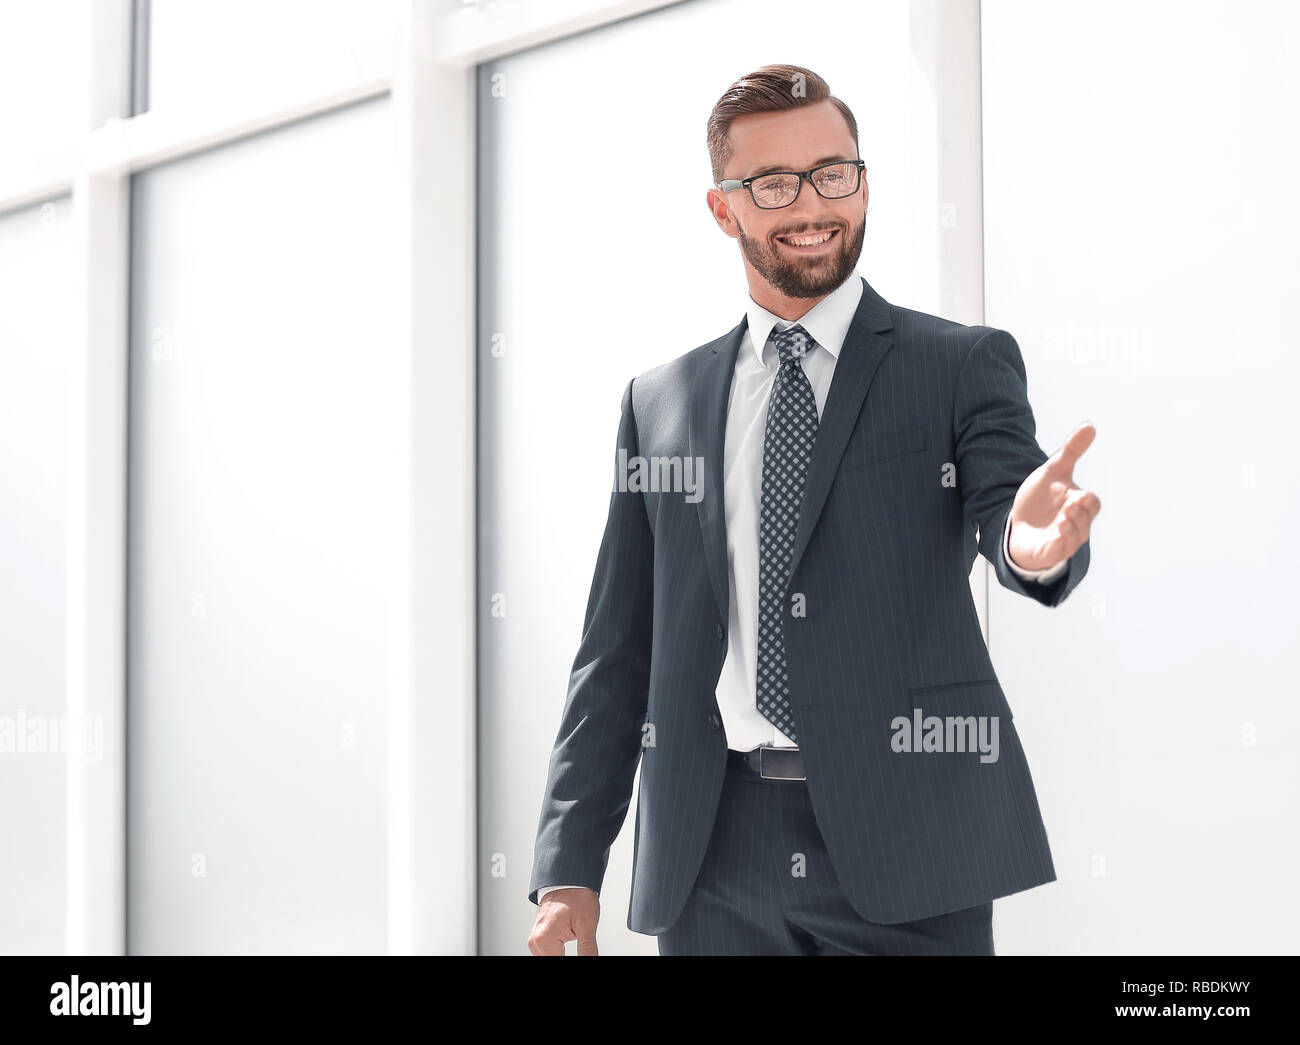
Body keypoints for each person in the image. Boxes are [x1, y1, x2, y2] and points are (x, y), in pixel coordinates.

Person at [526, 63, 1101, 956]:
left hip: (910, 841)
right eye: (774, 183)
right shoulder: (660, 402)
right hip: (710, 852)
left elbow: (1011, 513)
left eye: (835, 173)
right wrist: (570, 867)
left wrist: (1031, 542)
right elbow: (616, 647)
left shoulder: (957, 365)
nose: (813, 204)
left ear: (863, 180)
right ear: (723, 208)